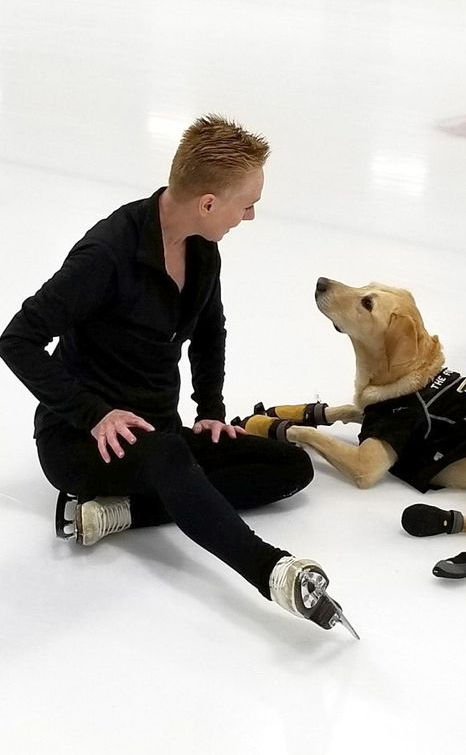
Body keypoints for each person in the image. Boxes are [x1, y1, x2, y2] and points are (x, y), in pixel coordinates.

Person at [0, 114, 356, 637]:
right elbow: (17, 340)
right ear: (208, 203)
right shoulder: (107, 254)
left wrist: (210, 410)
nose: (251, 215)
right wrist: (94, 414)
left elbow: (211, 330)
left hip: (158, 433)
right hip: (82, 442)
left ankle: (122, 514)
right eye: (246, 203)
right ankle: (272, 572)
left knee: (288, 467)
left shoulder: (202, 248)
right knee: (169, 455)